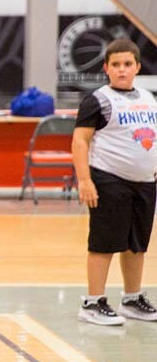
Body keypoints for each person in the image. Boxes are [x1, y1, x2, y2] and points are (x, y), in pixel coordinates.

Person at [73, 38, 157, 326]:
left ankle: (132, 298)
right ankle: (93, 302)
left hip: (144, 181)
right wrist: (85, 180)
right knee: (104, 242)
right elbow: (80, 142)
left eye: (128, 64)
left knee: (136, 244)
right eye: (116, 65)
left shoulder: (148, 98)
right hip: (109, 179)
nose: (122, 70)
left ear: (137, 67)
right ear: (106, 68)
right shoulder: (98, 99)